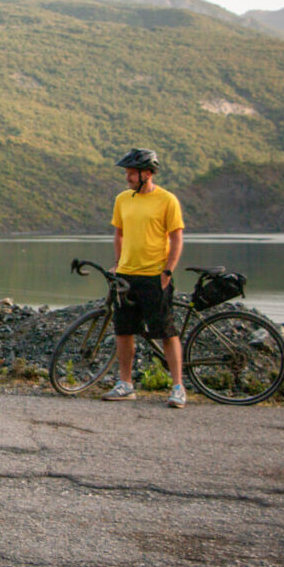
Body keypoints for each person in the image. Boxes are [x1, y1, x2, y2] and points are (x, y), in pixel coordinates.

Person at [103, 148, 187, 408]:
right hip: (127, 275)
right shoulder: (122, 199)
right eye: (127, 172)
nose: (127, 177)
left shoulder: (167, 200)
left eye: (132, 173)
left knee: (166, 331)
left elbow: (176, 237)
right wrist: (117, 265)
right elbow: (119, 234)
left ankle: (178, 387)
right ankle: (126, 384)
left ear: (147, 174)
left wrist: (168, 271)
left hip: (154, 276)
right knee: (124, 331)